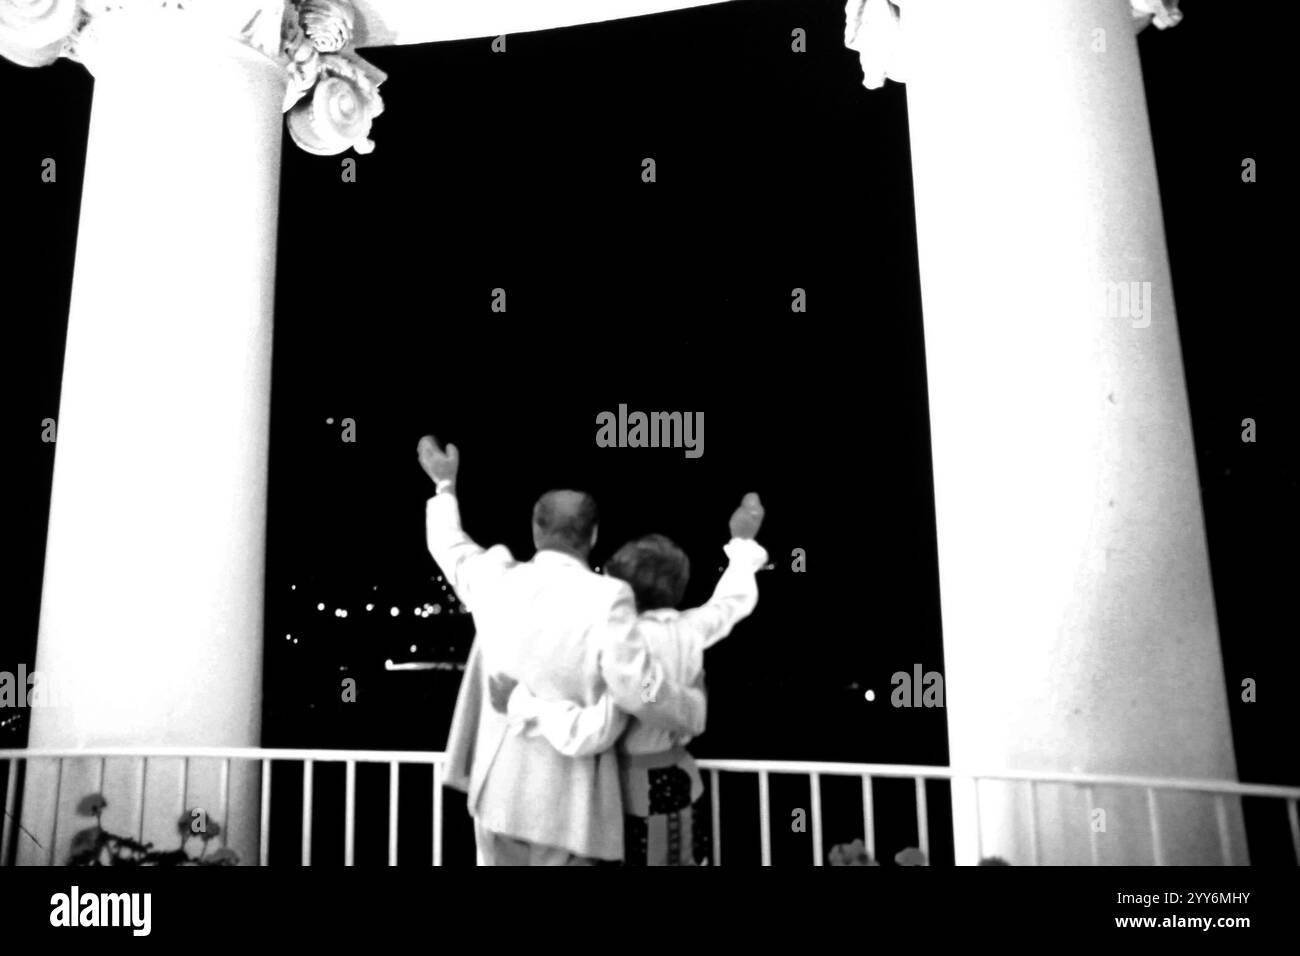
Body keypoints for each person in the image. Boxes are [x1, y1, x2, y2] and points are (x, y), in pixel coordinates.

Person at [419, 434, 705, 865]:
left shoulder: (496, 578)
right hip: (567, 811)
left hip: (496, 796)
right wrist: (685, 708)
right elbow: (637, 689)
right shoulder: (609, 599)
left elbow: (449, 545)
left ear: (536, 528)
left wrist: (444, 485)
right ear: (593, 535)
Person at [488, 493, 767, 865]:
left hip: (629, 787)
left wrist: (521, 702)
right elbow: (731, 603)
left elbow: (643, 692)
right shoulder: (689, 629)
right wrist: (743, 543)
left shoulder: (622, 640)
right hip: (679, 776)